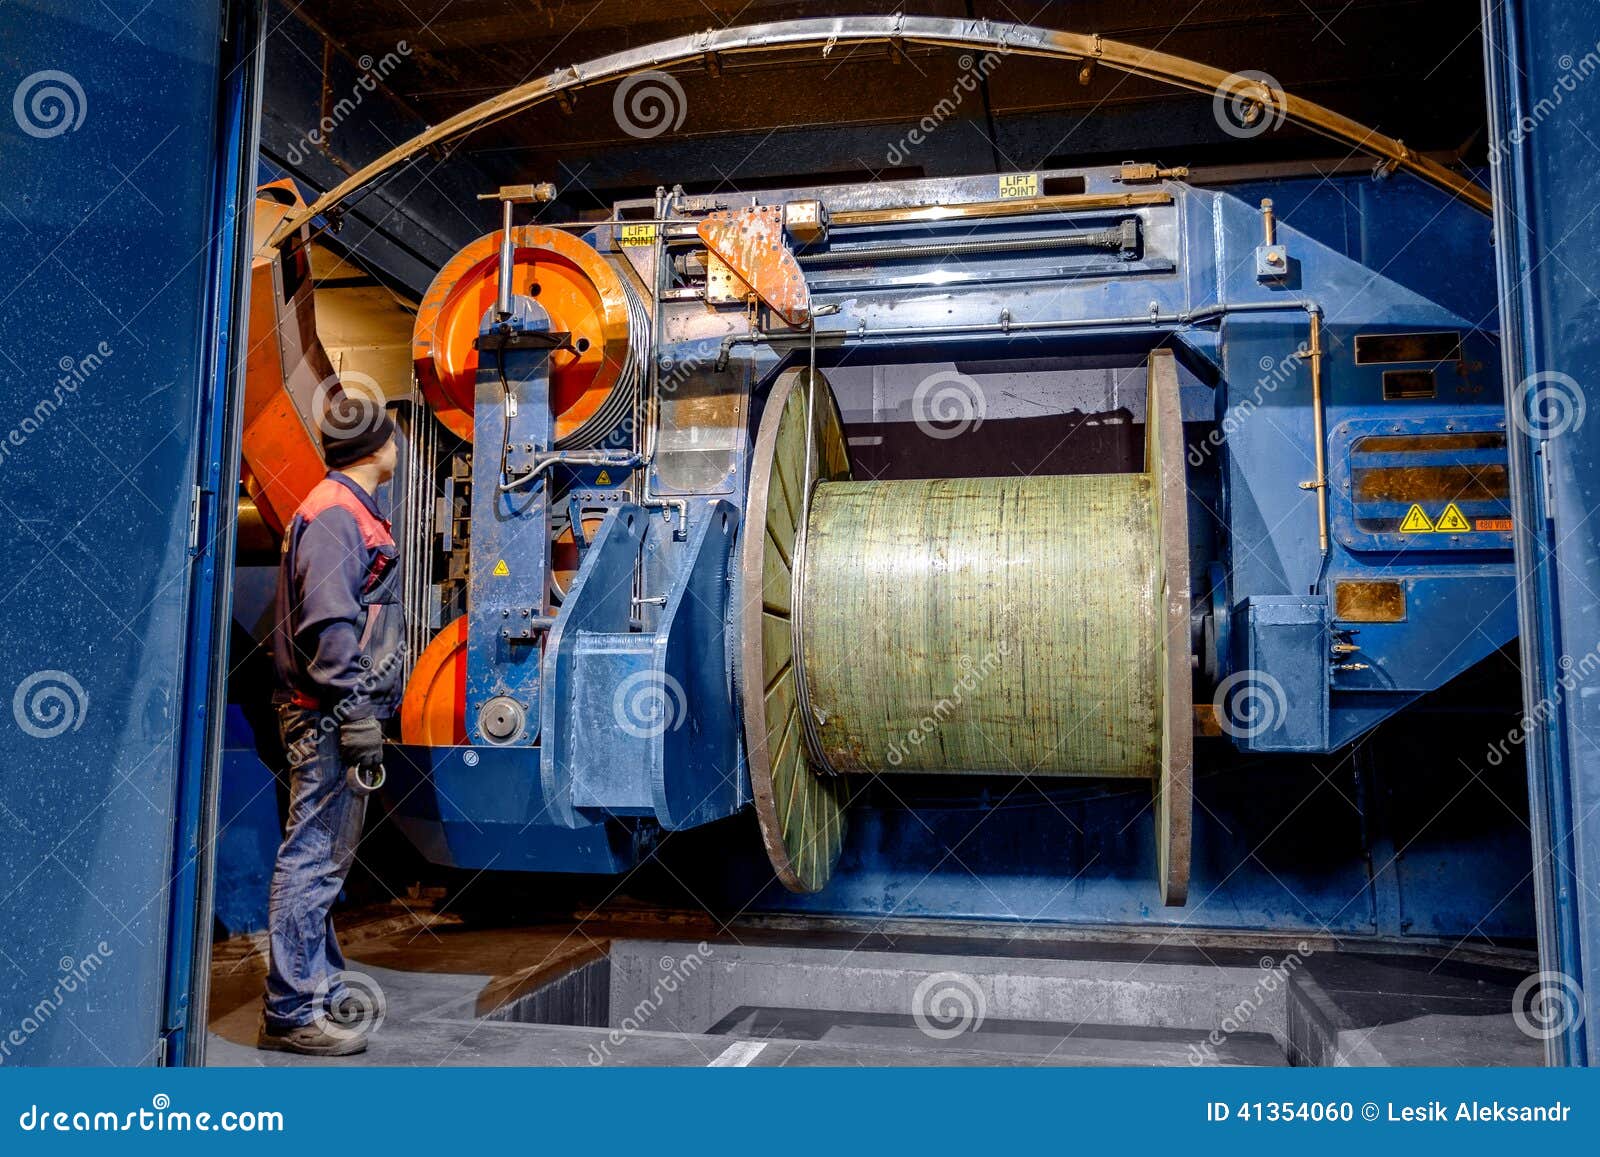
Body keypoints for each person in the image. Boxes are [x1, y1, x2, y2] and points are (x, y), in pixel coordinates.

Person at [258, 400, 403, 1056]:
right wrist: (357, 714)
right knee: (312, 857)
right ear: (376, 447)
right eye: (393, 436)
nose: (398, 445)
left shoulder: (344, 508)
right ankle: (290, 1011)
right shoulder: (338, 515)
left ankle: (312, 983)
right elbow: (329, 627)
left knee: (322, 859)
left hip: (330, 714)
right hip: (326, 717)